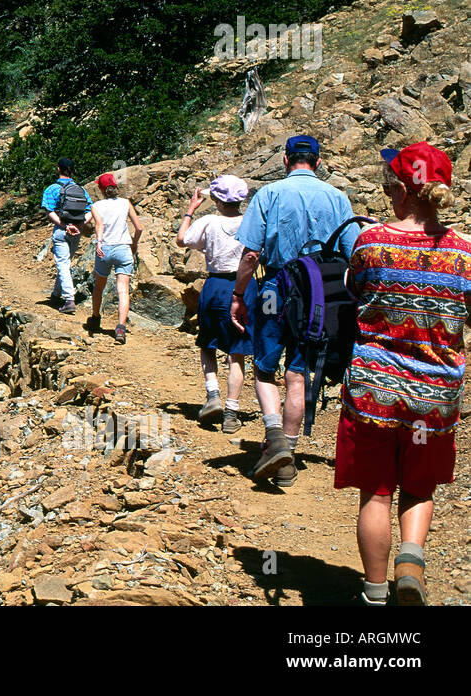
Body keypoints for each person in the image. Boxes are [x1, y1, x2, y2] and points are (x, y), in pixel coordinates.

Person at [335, 143, 471, 606]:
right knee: (418, 487)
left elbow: (355, 293)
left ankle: (374, 594)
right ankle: (410, 563)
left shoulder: (370, 241)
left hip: (374, 388)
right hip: (435, 396)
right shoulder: (463, 252)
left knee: (375, 492)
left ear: (399, 188)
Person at [230, 135, 360, 485]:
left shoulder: (269, 194)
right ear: (318, 162)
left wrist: (239, 294)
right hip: (318, 294)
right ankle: (287, 454)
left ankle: (274, 439)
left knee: (263, 367)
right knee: (299, 374)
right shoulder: (337, 197)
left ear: (286, 160)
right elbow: (354, 253)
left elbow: (251, 254)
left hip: (275, 288)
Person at [177, 175, 252, 430]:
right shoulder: (250, 222)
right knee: (237, 352)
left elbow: (182, 239)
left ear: (217, 200)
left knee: (207, 342)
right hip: (243, 287)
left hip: (215, 285)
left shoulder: (208, 221)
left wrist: (191, 210)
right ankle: (231, 413)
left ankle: (213, 395)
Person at [89, 172, 143, 343]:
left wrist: (99, 242)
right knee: (123, 290)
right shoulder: (125, 203)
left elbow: (99, 225)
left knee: (99, 287)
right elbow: (139, 227)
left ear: (101, 189)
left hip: (104, 248)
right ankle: (120, 327)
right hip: (123, 249)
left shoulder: (96, 206)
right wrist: (133, 244)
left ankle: (96, 318)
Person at [41, 158, 89, 314]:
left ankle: (69, 299)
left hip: (62, 231)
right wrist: (79, 225)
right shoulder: (80, 189)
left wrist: (64, 225)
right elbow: (90, 210)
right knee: (66, 262)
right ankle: (56, 295)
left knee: (62, 264)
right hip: (77, 232)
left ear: (58, 169)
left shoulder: (52, 189)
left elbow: (49, 211)